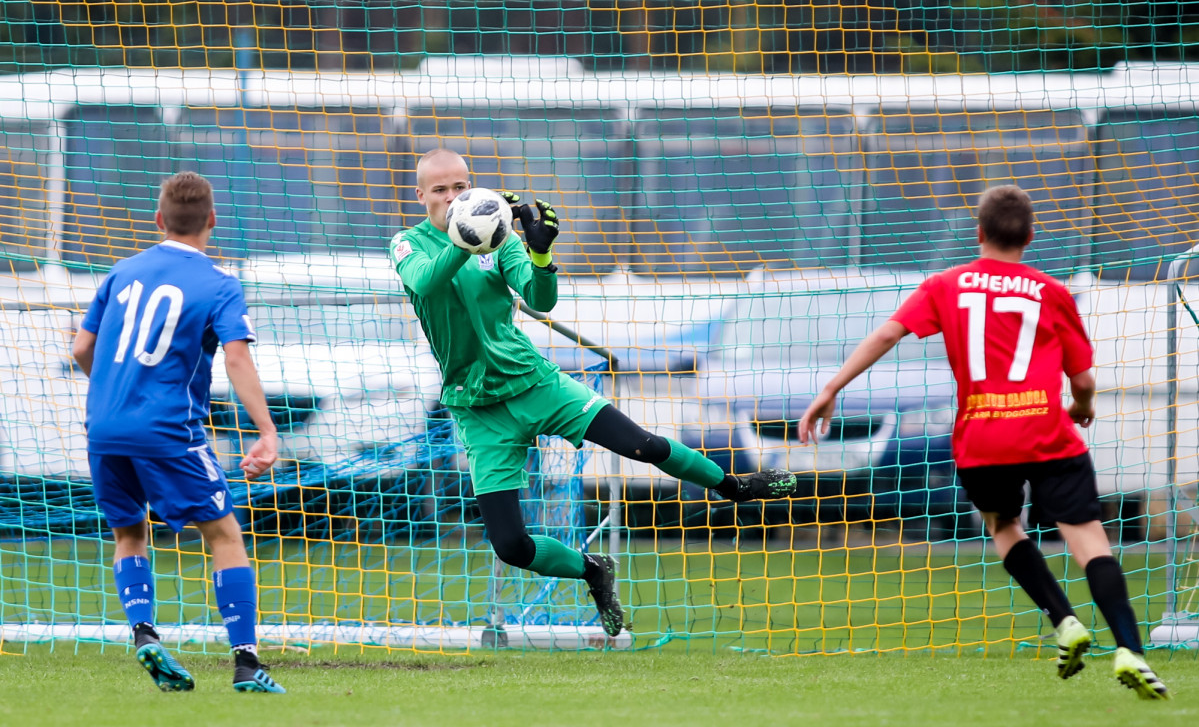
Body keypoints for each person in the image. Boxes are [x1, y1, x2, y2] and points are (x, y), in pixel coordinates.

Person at [388, 148, 798, 637]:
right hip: (478, 410)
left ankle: (734, 487)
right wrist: (468, 236)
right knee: (510, 545)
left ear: (472, 186)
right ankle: (592, 570)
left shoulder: (501, 241)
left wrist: (539, 252)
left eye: (461, 187)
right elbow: (427, 284)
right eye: (440, 190)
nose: (452, 198)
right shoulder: (407, 244)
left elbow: (542, 299)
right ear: (421, 197)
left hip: (535, 383)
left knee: (642, 444)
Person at [796, 185, 1167, 699]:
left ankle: (1064, 622)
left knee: (1003, 525)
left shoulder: (946, 285)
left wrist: (832, 388)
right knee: (1088, 540)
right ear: (1030, 236)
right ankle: (1129, 649)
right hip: (1046, 431)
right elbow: (1082, 381)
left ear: (979, 233)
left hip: (983, 437)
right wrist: (1081, 409)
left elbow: (887, 334)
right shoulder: (1050, 291)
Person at [72, 172, 285, 694]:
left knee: (129, 531)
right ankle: (247, 664)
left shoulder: (121, 271)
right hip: (168, 428)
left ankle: (145, 632)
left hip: (103, 426)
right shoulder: (218, 283)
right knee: (224, 534)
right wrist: (265, 430)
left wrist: (115, 393)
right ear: (212, 220)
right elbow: (236, 356)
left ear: (159, 219)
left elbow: (81, 351)